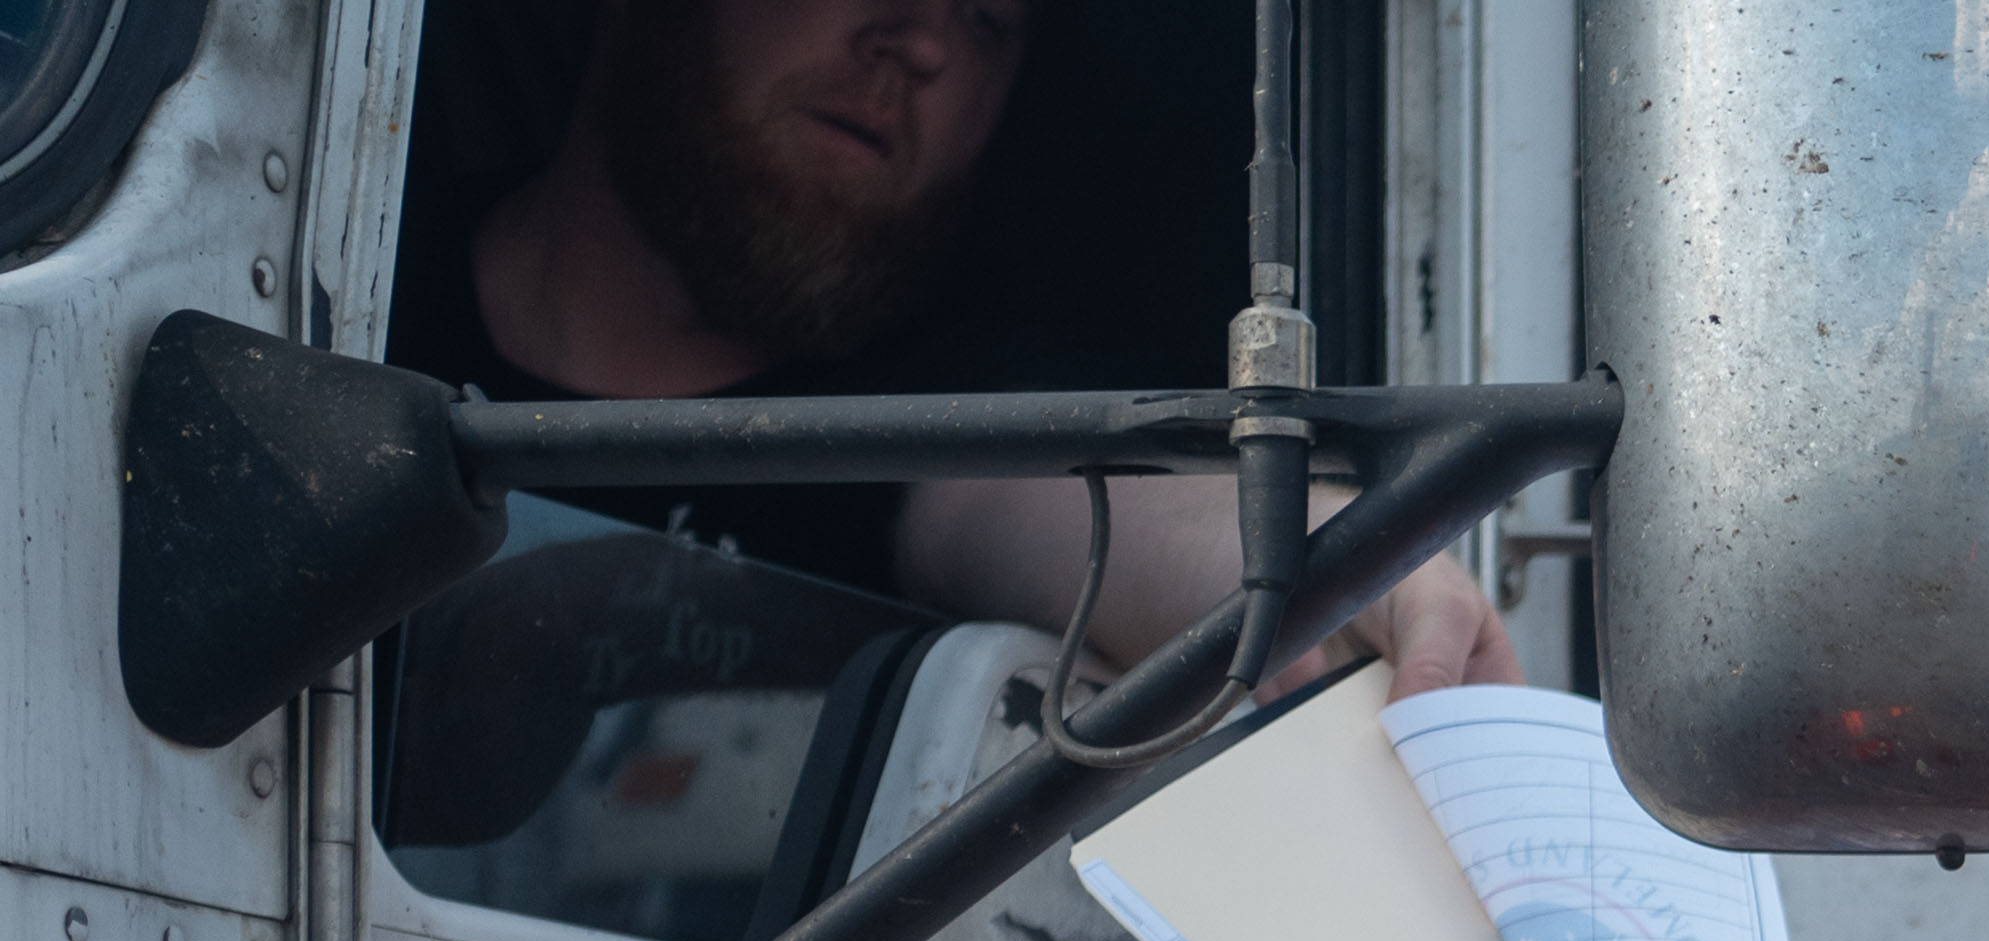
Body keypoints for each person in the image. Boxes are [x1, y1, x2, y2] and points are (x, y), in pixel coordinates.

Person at [387, 0, 1512, 678]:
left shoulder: (923, 414)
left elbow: (1076, 506)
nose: (922, 39)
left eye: (987, 18)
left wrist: (1355, 564)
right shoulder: (350, 286)